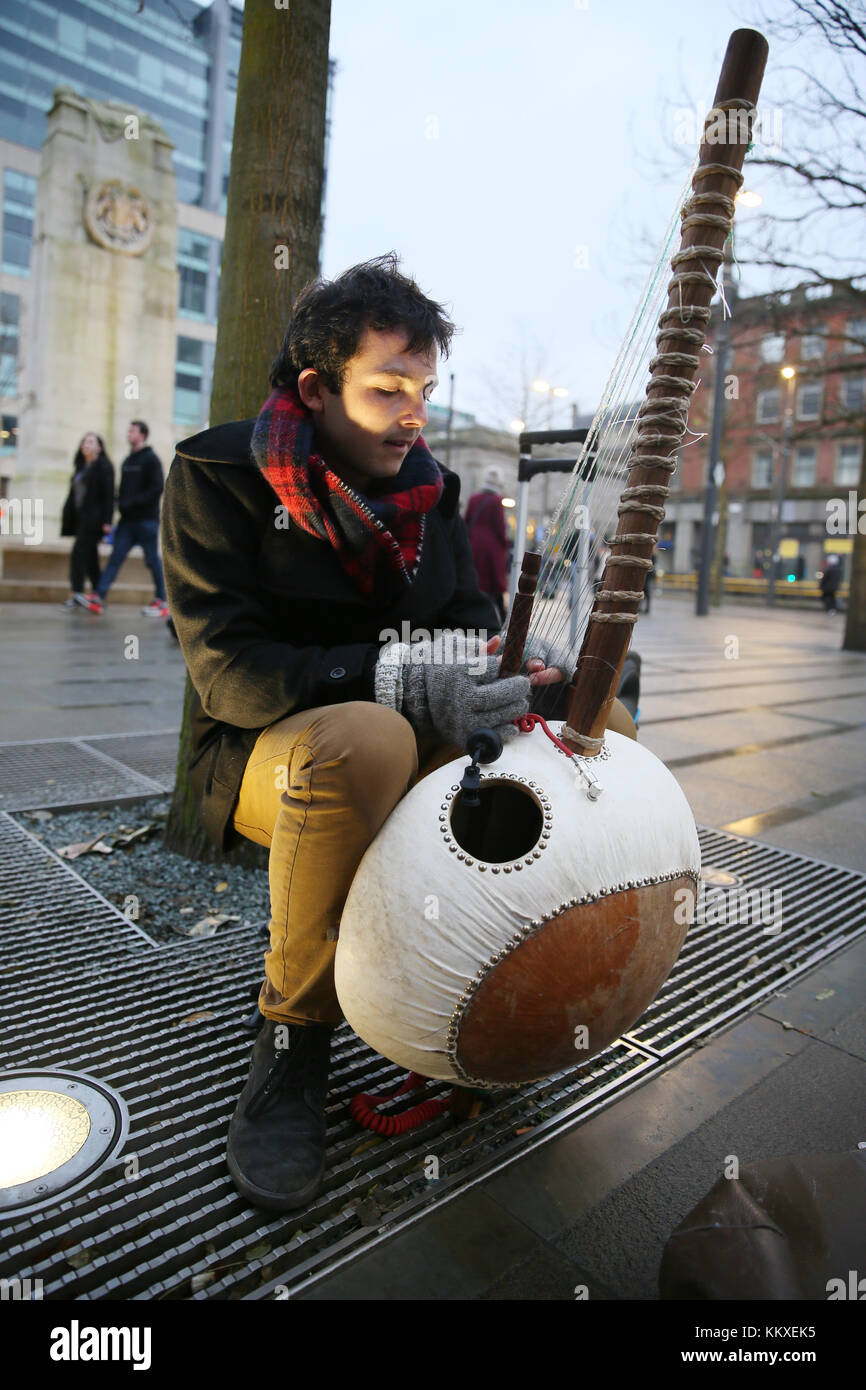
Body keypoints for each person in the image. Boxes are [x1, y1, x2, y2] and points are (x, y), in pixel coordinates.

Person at [161, 254, 629, 1214]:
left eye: (424, 388)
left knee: (598, 721)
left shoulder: (432, 488)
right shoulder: (218, 473)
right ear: (313, 387)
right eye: (387, 389)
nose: (414, 412)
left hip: (409, 737)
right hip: (271, 753)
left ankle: (492, 975)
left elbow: (464, 615)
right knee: (368, 737)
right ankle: (291, 1037)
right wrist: (393, 677)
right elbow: (228, 672)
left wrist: (512, 671)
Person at [85, 420, 168, 617]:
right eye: (128, 430)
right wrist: (119, 504)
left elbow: (157, 488)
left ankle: (162, 600)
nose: (128, 433)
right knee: (115, 558)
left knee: (152, 560)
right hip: (126, 523)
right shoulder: (127, 461)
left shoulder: (151, 459)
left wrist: (133, 502)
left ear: (142, 435)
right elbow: (122, 490)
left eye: (133, 431)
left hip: (147, 521)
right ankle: (99, 596)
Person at [60, 431, 115, 609]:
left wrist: (107, 521)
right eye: (84, 441)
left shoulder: (104, 466)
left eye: (91, 442)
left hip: (94, 520)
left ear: (99, 447)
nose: (86, 444)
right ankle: (98, 594)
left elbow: (108, 496)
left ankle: (77, 593)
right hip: (79, 519)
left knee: (78, 553)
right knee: (91, 558)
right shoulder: (81, 466)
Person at [464, 465, 510, 624]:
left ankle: (471, 615)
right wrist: (506, 545)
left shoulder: (473, 498)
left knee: (475, 582)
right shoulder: (497, 501)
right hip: (491, 551)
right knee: (493, 587)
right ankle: (499, 620)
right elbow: (500, 528)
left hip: (473, 546)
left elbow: (466, 521)